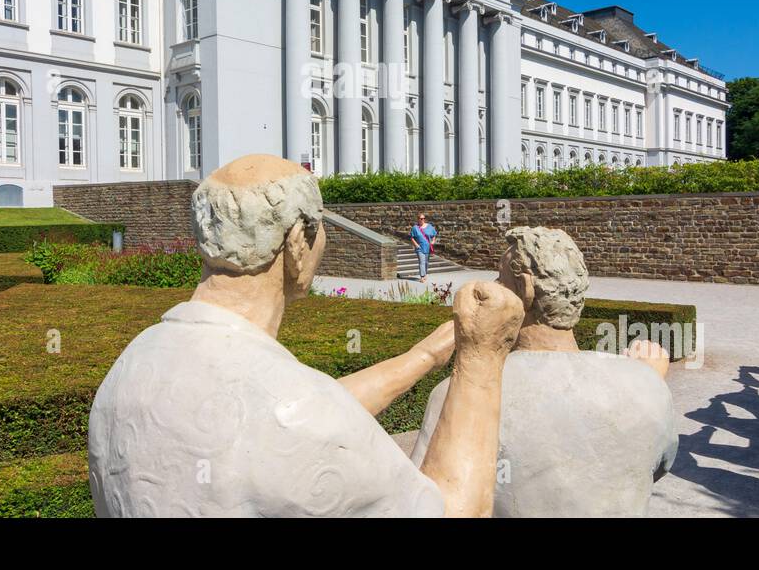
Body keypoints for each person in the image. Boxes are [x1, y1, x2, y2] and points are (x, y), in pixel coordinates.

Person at [88, 154, 524, 518]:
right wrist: (481, 358)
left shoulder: (132, 362)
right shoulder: (297, 413)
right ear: (297, 242)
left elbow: (293, 413)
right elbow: (453, 510)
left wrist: (426, 354)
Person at [410, 226, 677, 517]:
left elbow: (422, 501)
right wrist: (647, 382)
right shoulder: (645, 384)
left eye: (500, 278)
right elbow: (654, 463)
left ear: (524, 289)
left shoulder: (456, 397)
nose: (494, 286)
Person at [410, 212, 437, 281]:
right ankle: (422, 276)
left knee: (426, 262)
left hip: (427, 247)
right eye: (421, 218)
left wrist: (433, 241)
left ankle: (425, 274)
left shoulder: (429, 227)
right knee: (422, 262)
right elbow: (412, 237)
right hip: (419, 248)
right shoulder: (415, 228)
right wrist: (416, 245)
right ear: (418, 219)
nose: (422, 220)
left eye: (423, 218)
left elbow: (433, 235)